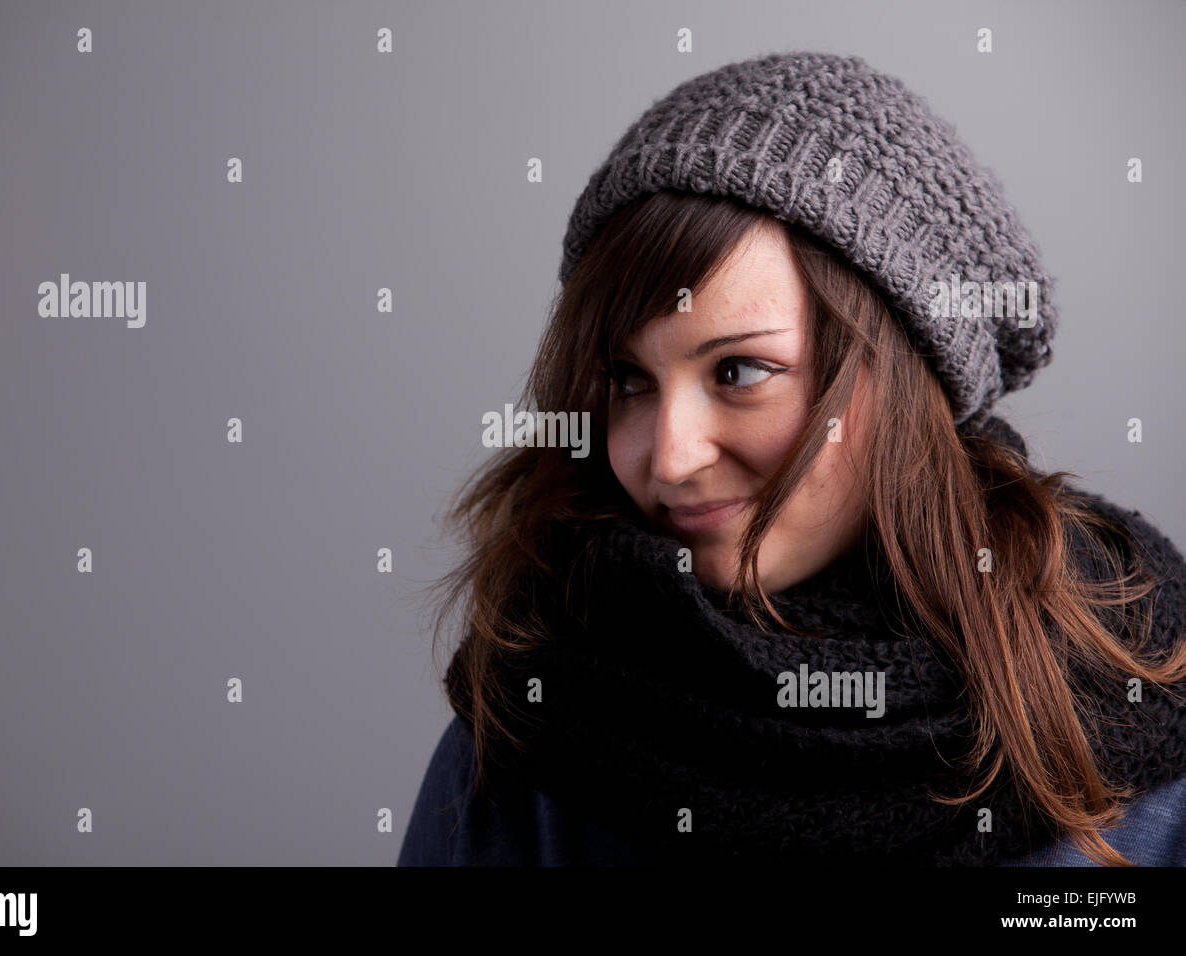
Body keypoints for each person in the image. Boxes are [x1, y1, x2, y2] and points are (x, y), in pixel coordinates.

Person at [399, 52, 1186, 866]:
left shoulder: (1136, 693)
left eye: (739, 372)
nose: (669, 458)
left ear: (912, 379)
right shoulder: (539, 719)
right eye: (628, 381)